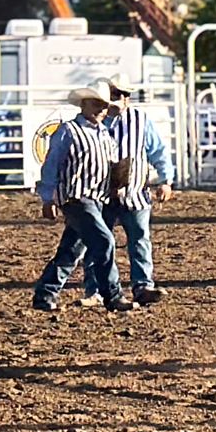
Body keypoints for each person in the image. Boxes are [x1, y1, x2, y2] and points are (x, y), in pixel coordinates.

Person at [72, 74, 175, 307]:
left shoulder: (140, 120)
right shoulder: (92, 122)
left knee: (139, 239)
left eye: (125, 94)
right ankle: (95, 290)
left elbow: (158, 150)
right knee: (97, 242)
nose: (121, 99)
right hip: (99, 193)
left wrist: (166, 180)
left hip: (135, 191)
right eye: (116, 93)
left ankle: (143, 286)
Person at [33, 86, 132, 314]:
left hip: (97, 198)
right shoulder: (68, 131)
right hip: (76, 198)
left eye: (104, 106)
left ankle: (45, 293)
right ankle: (113, 295)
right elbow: (52, 164)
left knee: (72, 250)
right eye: (96, 104)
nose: (101, 110)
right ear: (84, 105)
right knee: (104, 241)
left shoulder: (104, 134)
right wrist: (48, 198)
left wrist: (117, 185)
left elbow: (113, 165)